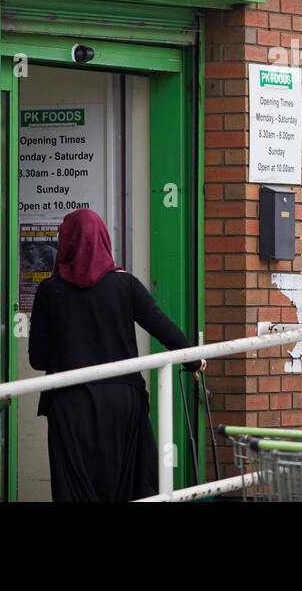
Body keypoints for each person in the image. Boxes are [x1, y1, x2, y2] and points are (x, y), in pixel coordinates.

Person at [29, 208, 204, 501]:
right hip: (123, 403)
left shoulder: (49, 292)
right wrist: (195, 360)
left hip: (70, 406)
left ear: (66, 242)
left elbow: (38, 359)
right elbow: (165, 329)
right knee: (126, 490)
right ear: (103, 240)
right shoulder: (126, 285)